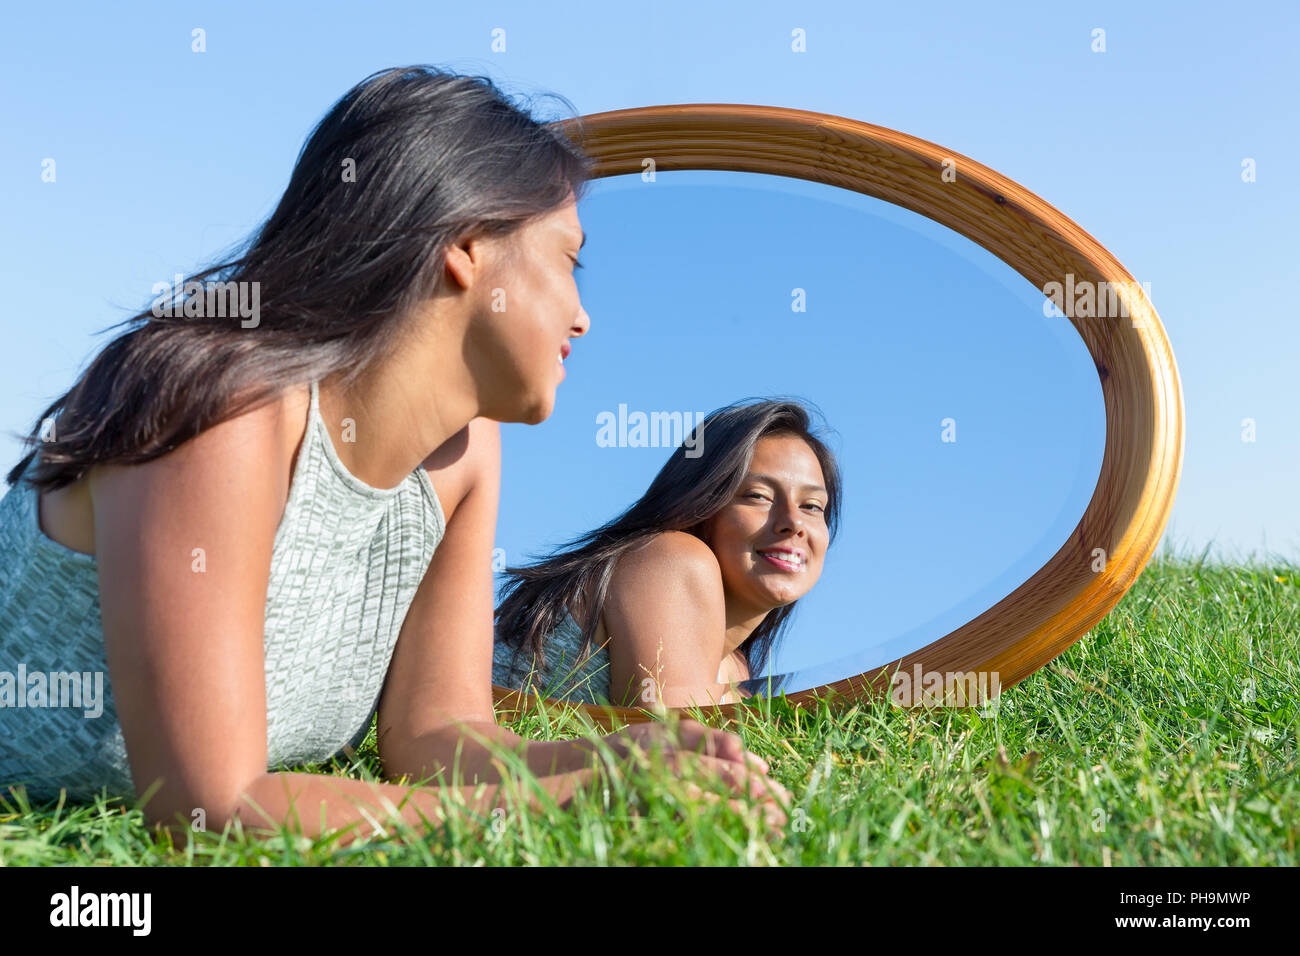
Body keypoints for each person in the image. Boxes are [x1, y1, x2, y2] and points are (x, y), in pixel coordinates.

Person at [0, 65, 788, 841]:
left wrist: (613, 758)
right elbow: (209, 807)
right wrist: (583, 799)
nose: (583, 318)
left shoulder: (467, 453)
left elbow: (435, 740)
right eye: (568, 260)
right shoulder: (221, 406)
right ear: (468, 244)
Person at [493, 400, 841, 708]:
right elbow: (675, 762)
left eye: (812, 506)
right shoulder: (671, 558)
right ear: (700, 504)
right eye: (758, 496)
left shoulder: (733, 668)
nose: (794, 523)